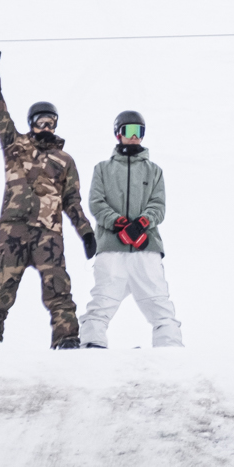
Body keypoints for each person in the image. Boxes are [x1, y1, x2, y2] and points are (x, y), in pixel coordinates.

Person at [0, 40, 96, 350]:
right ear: (31, 124)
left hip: (48, 234)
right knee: (1, 286)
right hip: (13, 229)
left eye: (51, 122)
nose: (46, 126)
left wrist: (85, 231)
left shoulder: (64, 160)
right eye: (40, 122)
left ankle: (67, 337)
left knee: (58, 287)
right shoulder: (15, 145)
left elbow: (72, 201)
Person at [79, 110, 183, 349]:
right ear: (118, 133)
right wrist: (119, 223)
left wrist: (142, 224)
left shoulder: (153, 170)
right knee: (103, 297)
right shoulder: (103, 169)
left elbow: (158, 205)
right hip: (112, 247)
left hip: (146, 247)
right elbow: (96, 202)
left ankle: (169, 346)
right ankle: (93, 342)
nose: (135, 136)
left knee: (158, 299)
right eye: (129, 131)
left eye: (139, 132)